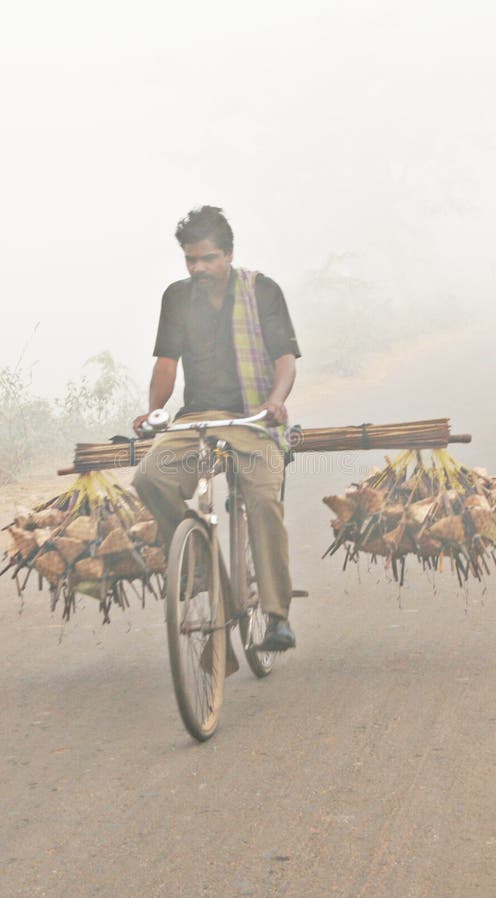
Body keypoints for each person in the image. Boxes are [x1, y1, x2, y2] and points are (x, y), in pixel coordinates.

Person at [132, 206, 300, 651]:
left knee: (263, 499)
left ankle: (276, 613)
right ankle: (199, 566)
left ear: (228, 254)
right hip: (197, 419)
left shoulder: (262, 291)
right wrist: (153, 412)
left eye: (207, 258)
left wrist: (276, 401)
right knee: (150, 476)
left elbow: (285, 360)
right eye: (190, 260)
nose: (198, 268)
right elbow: (165, 364)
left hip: (253, 417)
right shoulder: (177, 297)